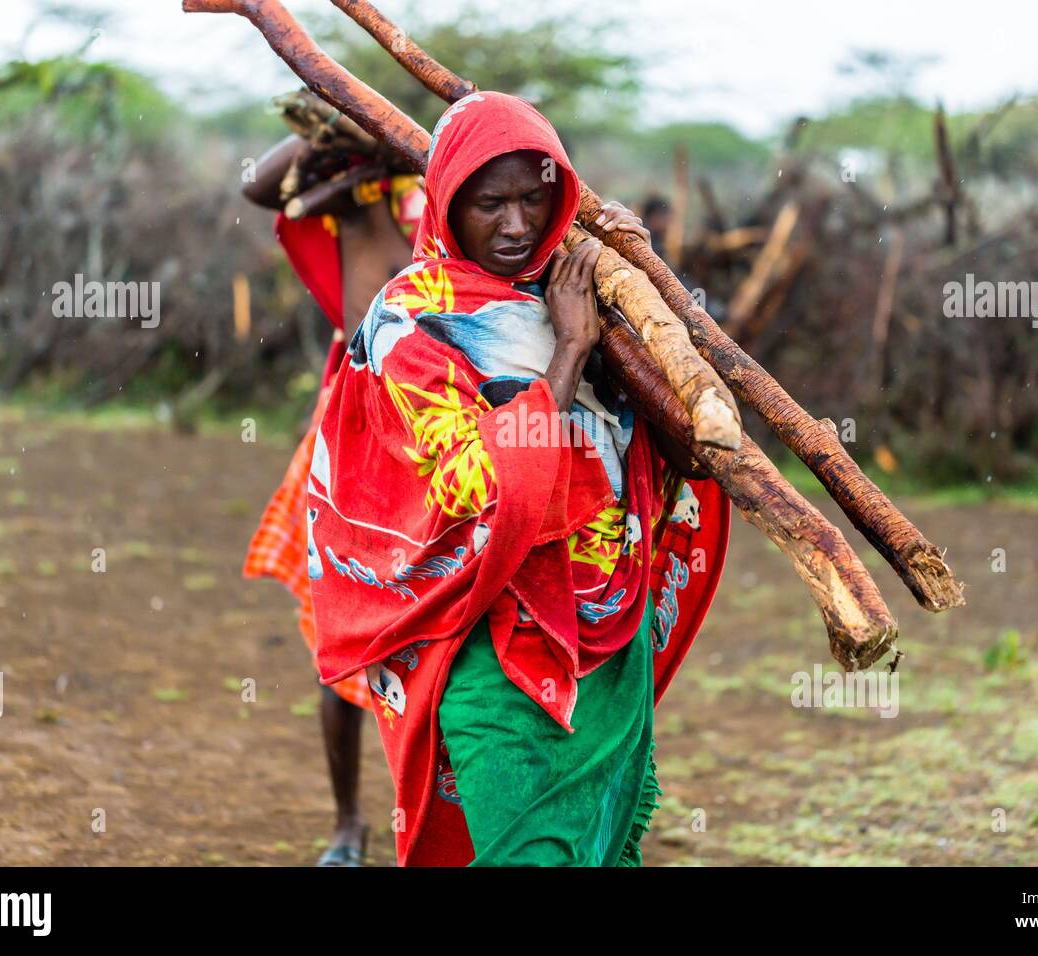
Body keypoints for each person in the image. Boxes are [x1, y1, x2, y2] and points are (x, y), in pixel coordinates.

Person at [307, 91, 729, 866]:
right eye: (490, 204)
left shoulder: (580, 287)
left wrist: (643, 291)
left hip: (607, 632)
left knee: (600, 850)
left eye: (535, 199)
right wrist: (568, 354)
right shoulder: (412, 323)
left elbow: (686, 448)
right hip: (488, 643)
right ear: (445, 205)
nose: (516, 225)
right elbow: (478, 486)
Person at [241, 129, 425, 866]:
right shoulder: (340, 221)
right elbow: (259, 182)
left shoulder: (441, 214)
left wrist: (415, 154)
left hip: (440, 452)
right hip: (347, 450)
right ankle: (349, 825)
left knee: (436, 649)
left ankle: (435, 824)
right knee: (336, 644)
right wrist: (328, 125)